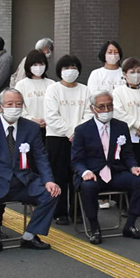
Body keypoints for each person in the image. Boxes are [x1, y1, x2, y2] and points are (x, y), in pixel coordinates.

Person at [0, 88, 61, 256]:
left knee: (52, 193)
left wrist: (49, 180)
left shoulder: (31, 127)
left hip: (24, 182)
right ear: (1, 106)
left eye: (18, 104)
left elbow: (40, 156)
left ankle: (30, 236)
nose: (14, 108)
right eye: (10, 104)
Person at [71, 91, 140, 244]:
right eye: (101, 107)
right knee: (88, 186)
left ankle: (131, 224)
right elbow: (76, 160)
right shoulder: (82, 130)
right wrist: (85, 172)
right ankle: (94, 227)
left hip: (115, 172)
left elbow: (127, 154)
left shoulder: (121, 126)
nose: (106, 110)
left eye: (109, 106)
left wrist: (133, 167)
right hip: (93, 174)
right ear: (93, 109)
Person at [44, 55, 93, 225]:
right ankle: (59, 212)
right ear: (60, 71)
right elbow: (51, 115)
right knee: (58, 176)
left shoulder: (85, 90)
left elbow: (89, 113)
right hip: (57, 138)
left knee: (77, 175)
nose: (70, 71)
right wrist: (70, 132)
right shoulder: (53, 89)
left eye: (73, 67)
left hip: (80, 140)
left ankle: (77, 211)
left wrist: (78, 134)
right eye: (66, 68)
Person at [15, 49, 55, 131]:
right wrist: (31, 119)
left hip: (50, 128)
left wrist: (47, 120)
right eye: (35, 65)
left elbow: (55, 107)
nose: (38, 67)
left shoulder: (52, 84)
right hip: (28, 127)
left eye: (41, 64)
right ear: (28, 66)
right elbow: (18, 107)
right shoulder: (21, 85)